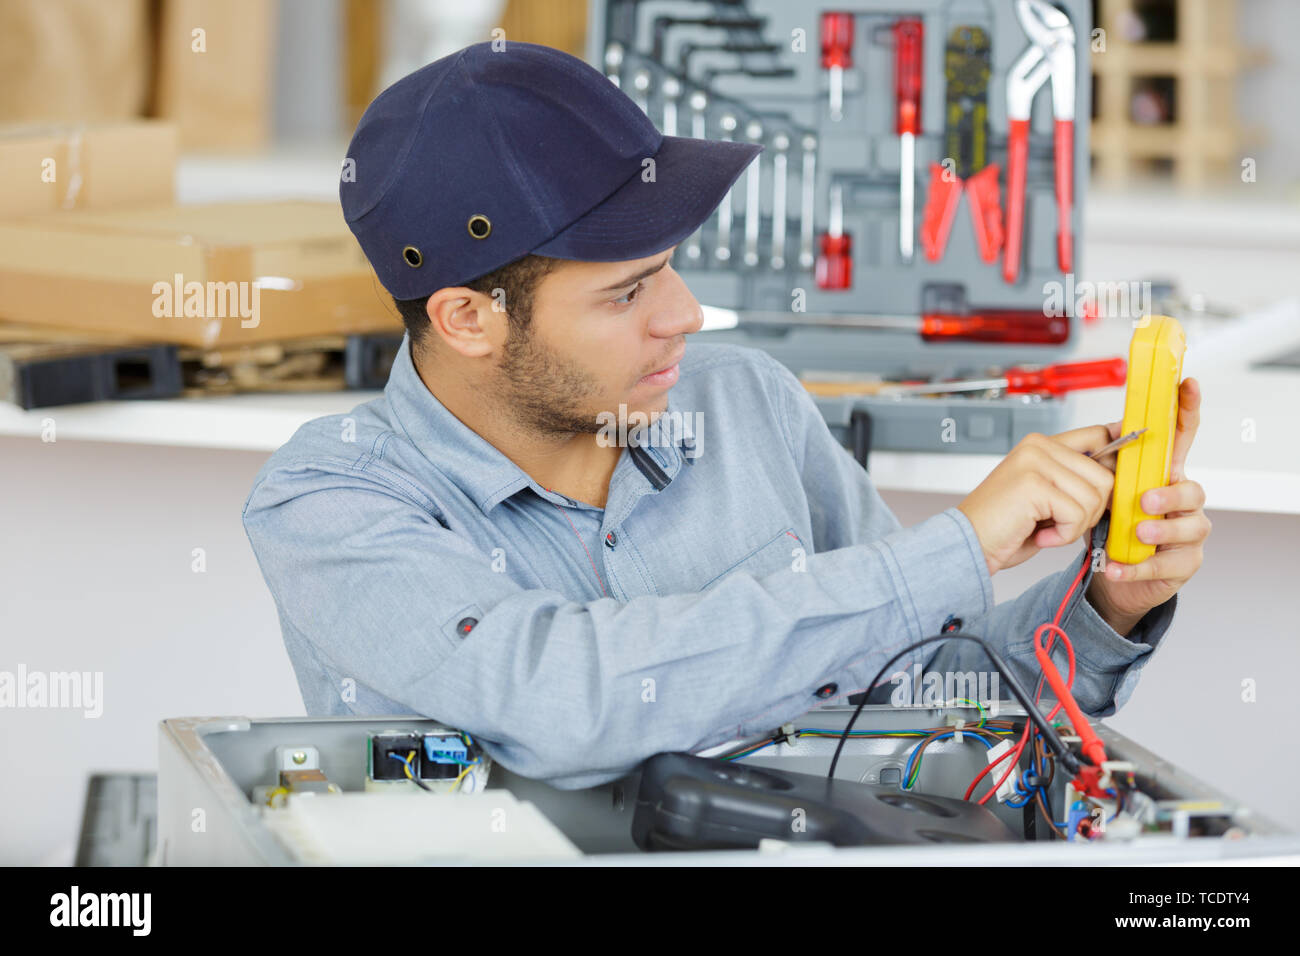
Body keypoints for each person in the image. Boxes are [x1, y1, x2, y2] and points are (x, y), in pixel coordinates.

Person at [242, 41, 1208, 789]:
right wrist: (953, 550)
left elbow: (919, 709)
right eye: (628, 293)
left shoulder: (743, 404)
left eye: (669, 265)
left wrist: (1106, 604)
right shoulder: (328, 502)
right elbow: (564, 702)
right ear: (467, 319)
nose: (685, 316)